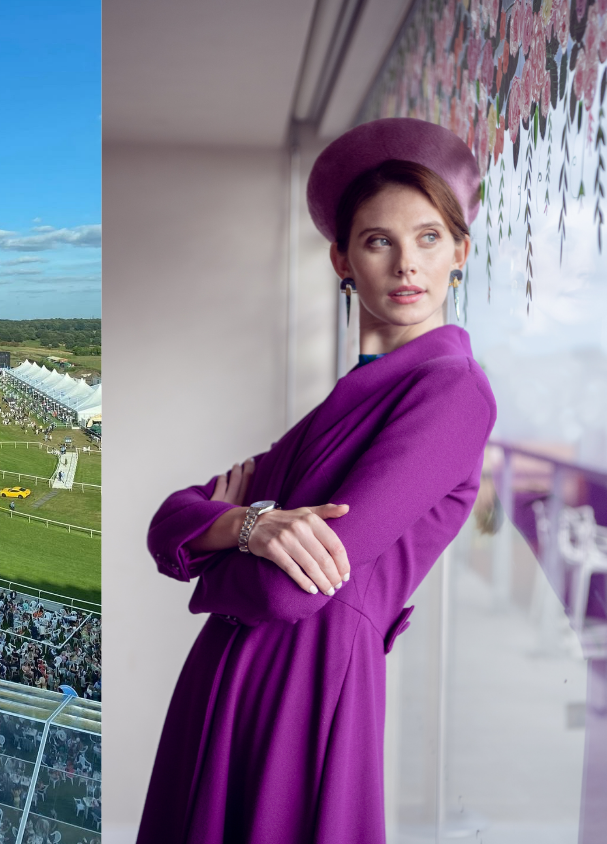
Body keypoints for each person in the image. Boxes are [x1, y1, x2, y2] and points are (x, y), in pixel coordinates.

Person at [137, 117, 497, 842]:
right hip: (228, 681)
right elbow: (166, 522)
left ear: (460, 251)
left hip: (306, 687)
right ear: (342, 259)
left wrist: (220, 543)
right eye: (379, 241)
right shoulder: (342, 404)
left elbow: (288, 590)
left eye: (429, 238)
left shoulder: (452, 388)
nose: (407, 265)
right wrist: (249, 527)